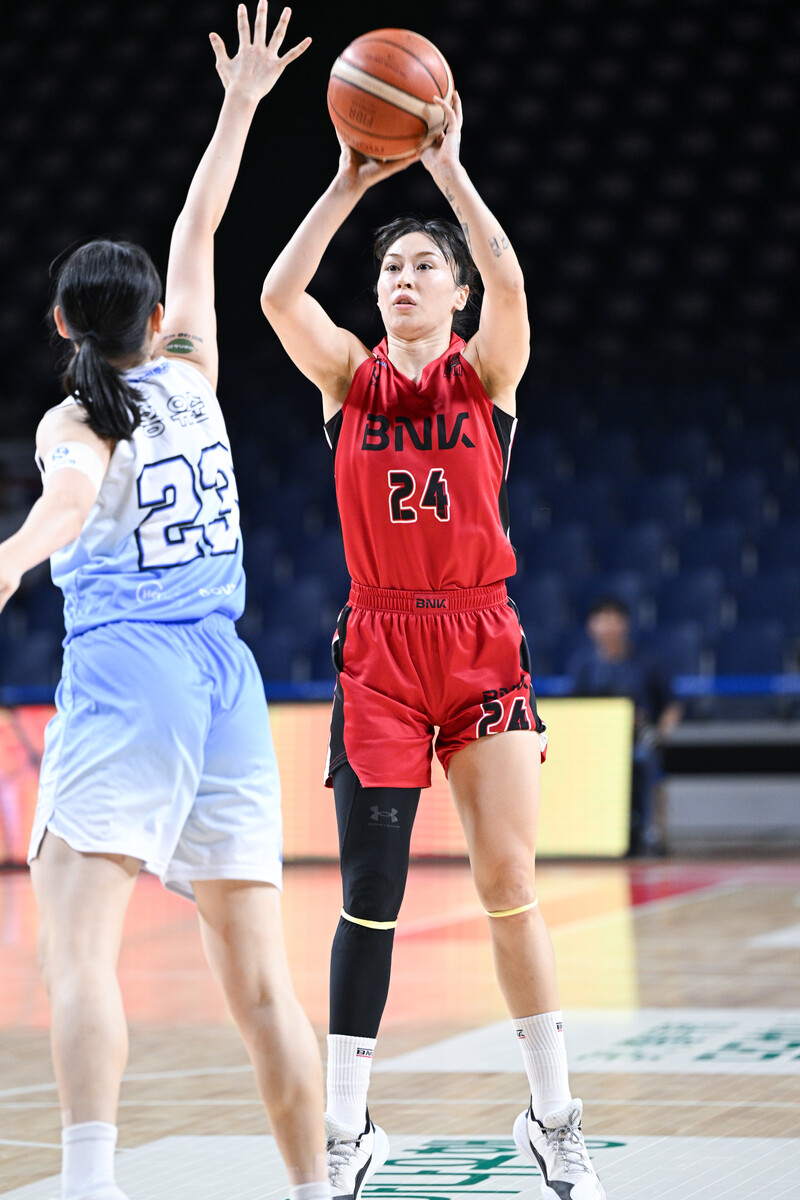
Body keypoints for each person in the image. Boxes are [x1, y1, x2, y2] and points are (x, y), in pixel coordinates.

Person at [0, 7, 332, 1200]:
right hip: (225, 685)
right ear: (155, 322)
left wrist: (8, 561)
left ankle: (91, 1187)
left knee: (77, 957)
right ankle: (311, 1189)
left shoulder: (75, 417)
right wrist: (240, 101)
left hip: (130, 678)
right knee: (261, 986)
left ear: (59, 328)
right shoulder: (194, 374)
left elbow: (64, 510)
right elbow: (200, 225)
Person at [260, 90, 606, 1200]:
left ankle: (553, 1119)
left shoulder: (485, 376)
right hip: (379, 651)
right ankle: (346, 1130)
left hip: (477, 638)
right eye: (389, 270)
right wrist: (350, 183)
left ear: (450, 296)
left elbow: (510, 282)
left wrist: (447, 174)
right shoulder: (344, 380)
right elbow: (274, 293)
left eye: (421, 267)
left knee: (509, 881)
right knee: (370, 891)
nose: (401, 279)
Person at [567, 595, 684, 855]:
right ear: (590, 625)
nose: (608, 625)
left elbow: (672, 705)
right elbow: (573, 707)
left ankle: (650, 833)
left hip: (637, 740)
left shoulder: (648, 662)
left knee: (645, 760)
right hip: (595, 743)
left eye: (614, 619)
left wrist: (660, 732)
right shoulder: (583, 666)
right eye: (602, 619)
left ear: (626, 624)